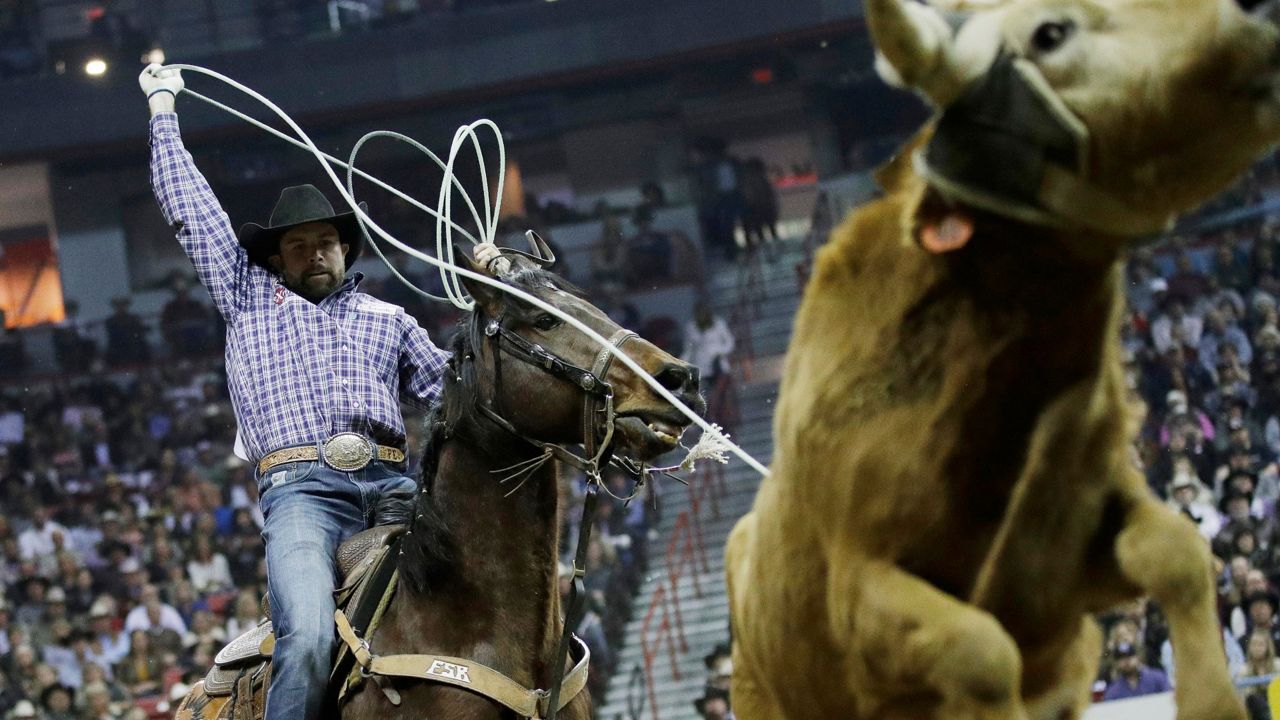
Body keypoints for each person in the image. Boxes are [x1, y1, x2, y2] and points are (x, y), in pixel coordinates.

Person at [140, 63, 505, 720]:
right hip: (303, 495)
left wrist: (498, 305)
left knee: (493, 611)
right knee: (305, 637)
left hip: (398, 493)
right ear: (276, 258)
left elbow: (459, 403)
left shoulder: (390, 319)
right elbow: (190, 210)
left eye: (327, 243)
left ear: (345, 250)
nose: (315, 254)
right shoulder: (247, 298)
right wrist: (163, 109)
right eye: (299, 244)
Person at [1102, 641, 1171, 700]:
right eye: (1121, 658)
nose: (1126, 661)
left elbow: (1170, 698)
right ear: (1116, 663)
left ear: (1138, 657)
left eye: (1130, 656)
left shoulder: (1157, 678)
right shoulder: (1113, 691)